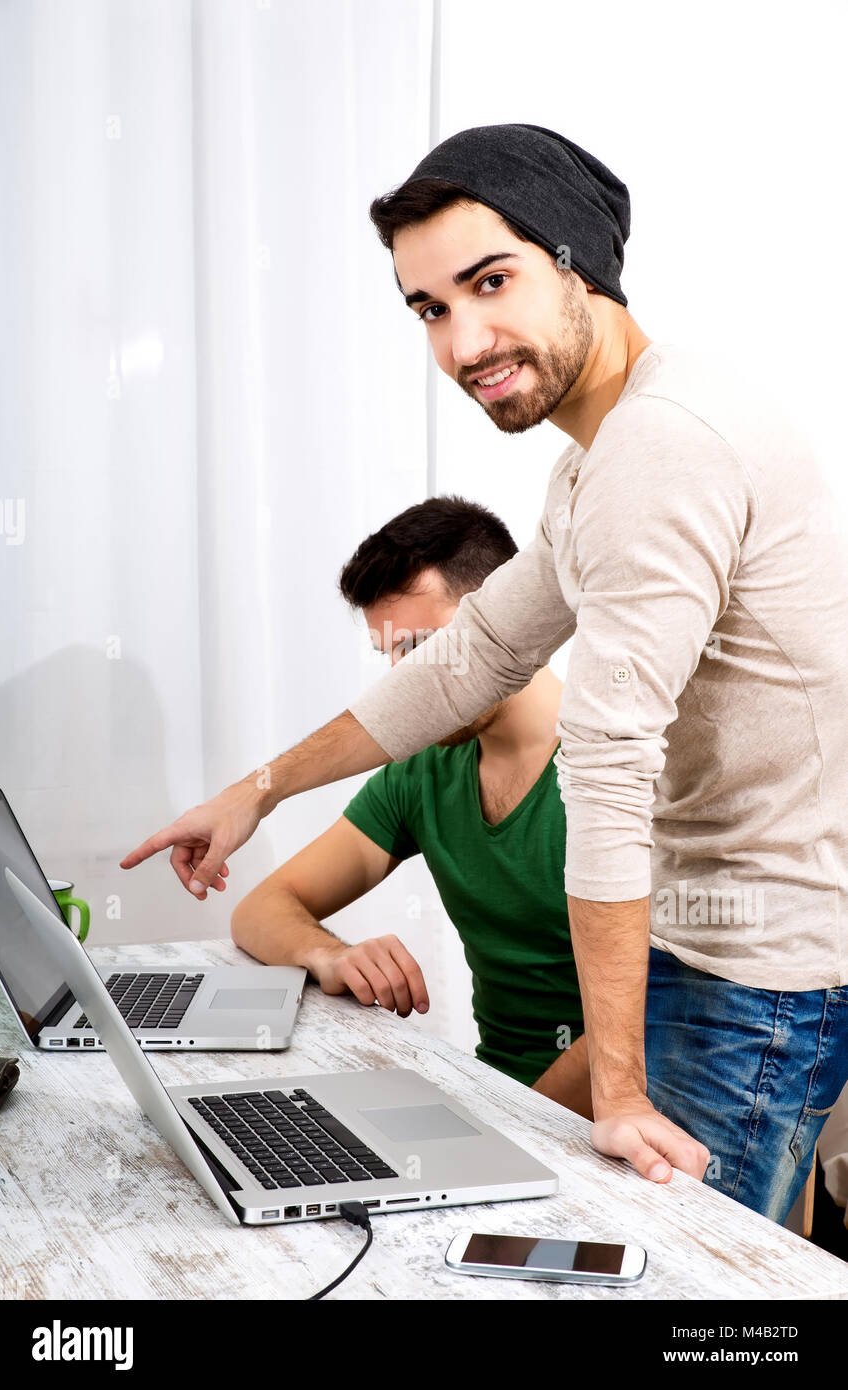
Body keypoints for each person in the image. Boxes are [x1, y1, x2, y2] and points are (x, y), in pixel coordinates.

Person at [121, 123, 848, 1224]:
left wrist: (611, 1089)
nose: (463, 342)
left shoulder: (659, 444)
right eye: (429, 309)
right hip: (712, 964)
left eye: (488, 282)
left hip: (751, 980)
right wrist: (257, 789)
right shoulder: (599, 458)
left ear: (577, 261)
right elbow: (468, 658)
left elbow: (605, 767)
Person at [230, 495, 591, 1112]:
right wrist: (331, 955)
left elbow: (654, 1016)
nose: (407, 677)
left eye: (425, 646)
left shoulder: (612, 769)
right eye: (394, 653)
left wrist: (523, 1126)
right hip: (497, 1102)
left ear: (509, 613)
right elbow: (261, 910)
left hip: (611, 1125)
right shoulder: (426, 766)